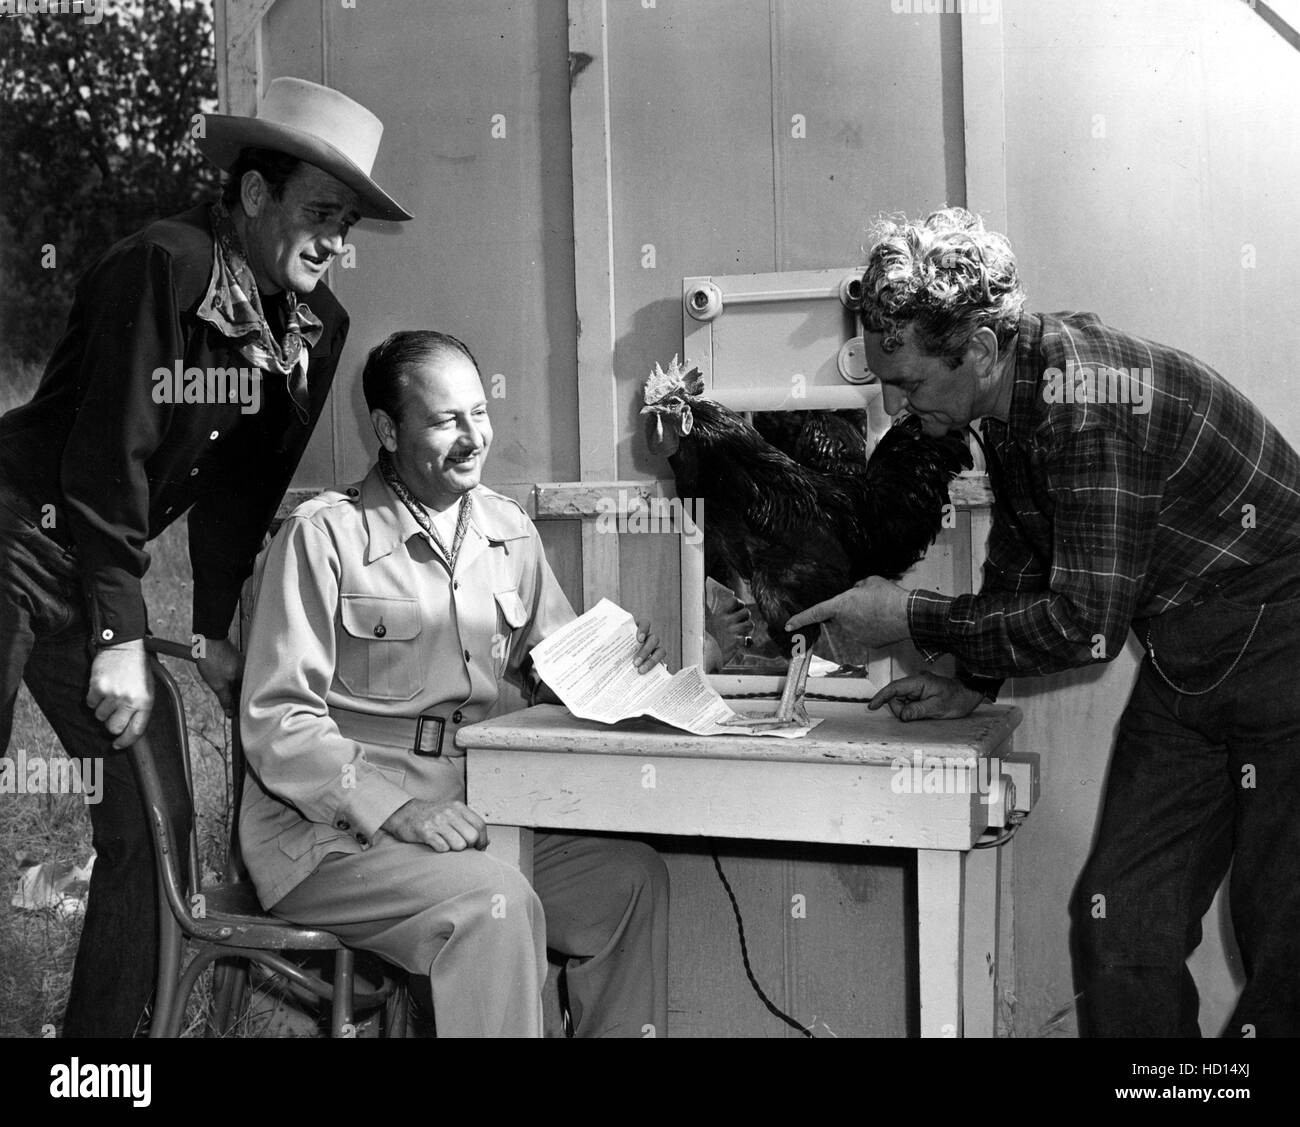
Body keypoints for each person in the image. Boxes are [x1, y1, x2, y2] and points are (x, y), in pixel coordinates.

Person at [787, 207, 1300, 1037]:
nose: (891, 401)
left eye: (909, 381)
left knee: (1286, 950)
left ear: (980, 349)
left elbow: (1081, 624)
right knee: (1118, 922)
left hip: (1284, 650)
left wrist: (909, 615)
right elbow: (1030, 543)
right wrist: (971, 682)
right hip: (1189, 661)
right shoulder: (1013, 399)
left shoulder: (1087, 401)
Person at [0, 77, 411, 1036]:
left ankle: (99, 1063)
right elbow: (111, 459)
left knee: (155, 829)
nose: (334, 242)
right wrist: (116, 632)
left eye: (346, 223)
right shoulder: (162, 265)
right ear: (253, 194)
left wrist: (221, 630)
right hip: (17, 534)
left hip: (96, 566)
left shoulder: (317, 327)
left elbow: (238, 499)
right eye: (319, 213)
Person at [238, 330, 670, 1037]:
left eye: (480, 413)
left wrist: (622, 665)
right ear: (387, 428)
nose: (474, 437)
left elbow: (556, 668)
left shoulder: (507, 531)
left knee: (629, 884)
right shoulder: (324, 538)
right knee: (490, 904)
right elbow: (277, 722)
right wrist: (397, 808)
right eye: (447, 420)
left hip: (472, 816)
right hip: (333, 838)